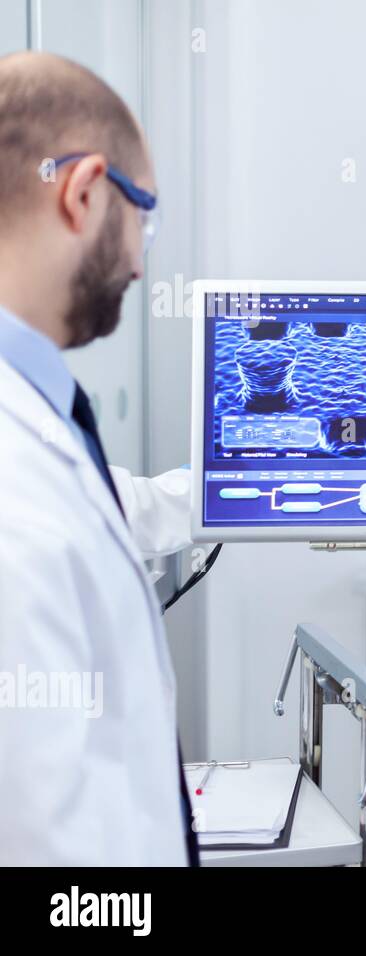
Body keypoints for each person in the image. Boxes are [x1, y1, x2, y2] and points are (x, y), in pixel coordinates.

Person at [0, 51, 195, 865]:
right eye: (142, 217)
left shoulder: (36, 418)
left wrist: (243, 492)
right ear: (83, 191)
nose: (142, 261)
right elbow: (44, 842)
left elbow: (102, 509)